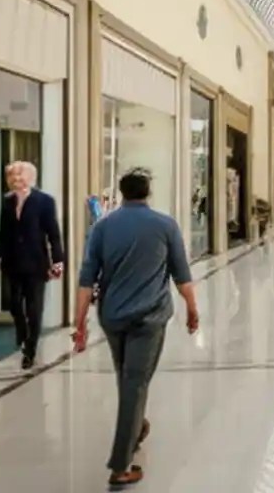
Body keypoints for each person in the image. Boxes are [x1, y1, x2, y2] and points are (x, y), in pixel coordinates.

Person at [74, 168, 199, 488]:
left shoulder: (103, 227)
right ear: (147, 193)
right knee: (136, 382)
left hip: (113, 317)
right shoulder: (165, 225)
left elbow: (87, 279)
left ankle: (137, 424)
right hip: (149, 318)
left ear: (123, 193)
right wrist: (192, 309)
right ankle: (120, 465)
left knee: (127, 377)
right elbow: (181, 274)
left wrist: (80, 325)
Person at [0, 161, 64, 370]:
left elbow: (53, 233)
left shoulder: (45, 201)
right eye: (12, 176)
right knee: (15, 305)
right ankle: (23, 335)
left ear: (30, 177)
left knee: (34, 307)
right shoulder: (6, 202)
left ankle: (30, 350)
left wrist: (58, 261)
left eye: (19, 175)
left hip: (36, 262)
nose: (16, 179)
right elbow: (4, 234)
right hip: (12, 261)